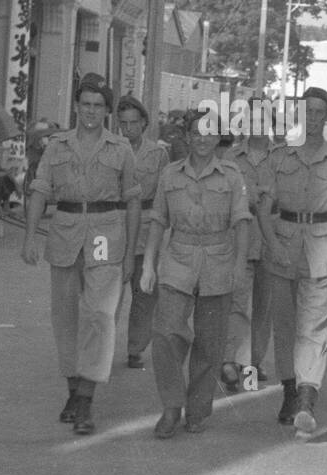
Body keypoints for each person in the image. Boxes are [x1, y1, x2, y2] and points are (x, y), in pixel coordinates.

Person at [22, 79, 140, 435]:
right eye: (85, 104)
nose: (91, 111)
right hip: (65, 232)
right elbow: (40, 191)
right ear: (76, 107)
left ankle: (87, 398)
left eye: (98, 106)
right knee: (66, 317)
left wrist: (132, 253)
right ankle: (73, 390)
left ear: (107, 111)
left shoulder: (121, 149)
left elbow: (132, 199)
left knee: (100, 315)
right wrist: (29, 237)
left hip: (106, 232)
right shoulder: (57, 147)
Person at [139, 109, 250, 437]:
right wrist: (148, 264)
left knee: (210, 342)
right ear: (186, 137)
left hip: (218, 260)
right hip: (178, 260)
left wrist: (240, 266)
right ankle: (172, 406)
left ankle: (198, 410)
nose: (202, 139)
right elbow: (159, 220)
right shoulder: (170, 175)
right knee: (165, 333)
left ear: (218, 137)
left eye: (209, 132)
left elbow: (242, 221)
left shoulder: (232, 175)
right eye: (196, 132)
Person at [256, 86, 327, 433]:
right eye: (306, 112)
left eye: (319, 112)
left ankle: (307, 397)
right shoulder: (278, 158)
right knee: (285, 326)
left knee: (315, 327)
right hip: (283, 243)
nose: (312, 119)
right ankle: (288, 389)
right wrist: (273, 245)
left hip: (323, 249)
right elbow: (264, 210)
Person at [219, 104, 274, 394]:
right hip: (238, 241)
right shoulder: (230, 157)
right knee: (238, 304)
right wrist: (253, 196)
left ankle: (253, 364)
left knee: (264, 307)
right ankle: (230, 362)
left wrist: (266, 199)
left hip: (270, 241)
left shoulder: (281, 157)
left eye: (261, 119)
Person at [114, 95, 171, 370]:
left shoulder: (158, 154)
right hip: (116, 224)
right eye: (123, 123)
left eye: (133, 123)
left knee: (144, 292)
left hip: (147, 227)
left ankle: (136, 348)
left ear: (144, 124)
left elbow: (164, 193)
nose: (128, 129)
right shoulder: (111, 149)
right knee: (109, 290)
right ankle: (100, 346)